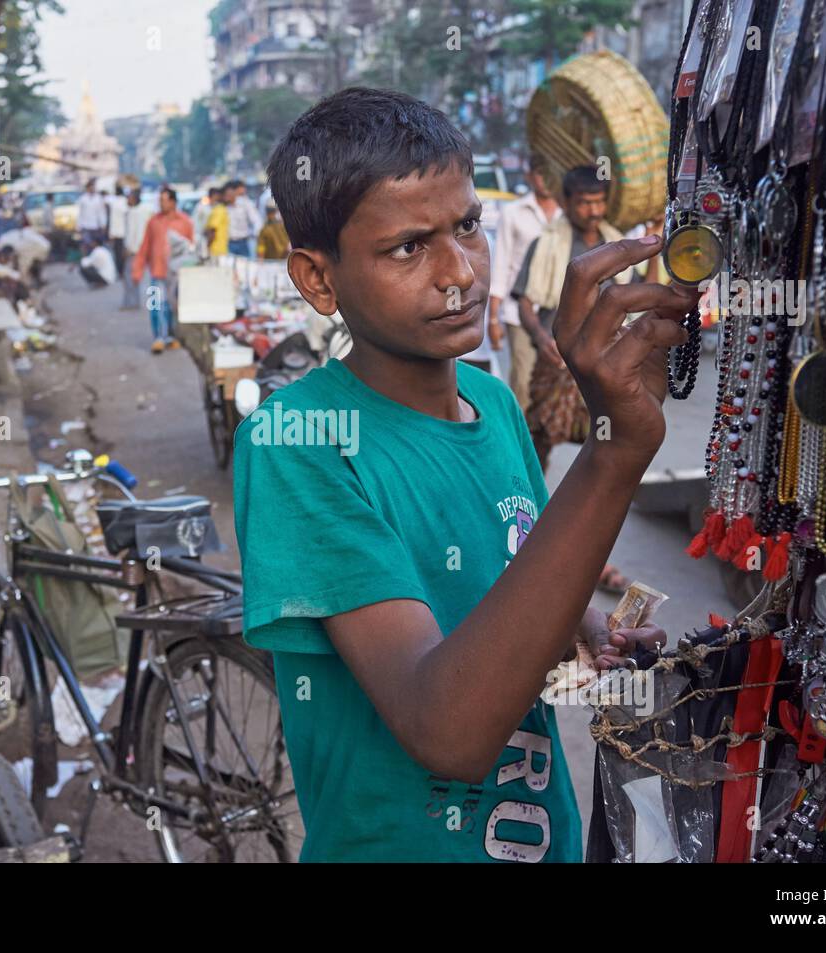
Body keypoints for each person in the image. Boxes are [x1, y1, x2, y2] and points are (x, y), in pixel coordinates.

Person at [234, 88, 689, 862]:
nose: (460, 274)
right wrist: (612, 452)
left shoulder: (492, 402)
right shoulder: (296, 444)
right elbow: (448, 730)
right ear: (318, 279)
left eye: (469, 227)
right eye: (408, 247)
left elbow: (506, 582)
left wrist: (579, 634)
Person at [511, 165, 638, 596]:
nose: (592, 209)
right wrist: (540, 336)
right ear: (567, 202)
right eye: (584, 201)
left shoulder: (617, 244)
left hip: (601, 363)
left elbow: (634, 298)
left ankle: (592, 559)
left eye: (599, 200)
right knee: (537, 447)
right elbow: (526, 303)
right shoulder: (547, 243)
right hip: (556, 364)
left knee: (602, 457)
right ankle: (525, 535)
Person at [487, 160, 561, 413]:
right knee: (523, 381)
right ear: (529, 176)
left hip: (560, 312)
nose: (546, 180)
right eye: (541, 173)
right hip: (518, 310)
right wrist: (494, 318)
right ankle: (519, 443)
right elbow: (501, 263)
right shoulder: (513, 213)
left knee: (555, 388)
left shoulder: (571, 212)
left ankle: (541, 445)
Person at [132, 187, 194, 353]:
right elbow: (145, 247)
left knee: (172, 307)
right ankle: (159, 337)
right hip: (157, 271)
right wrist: (137, 269)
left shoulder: (185, 222)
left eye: (164, 200)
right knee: (155, 305)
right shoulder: (153, 222)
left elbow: (191, 249)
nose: (161, 204)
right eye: (159, 200)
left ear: (173, 202)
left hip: (177, 274)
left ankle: (171, 336)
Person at [0, 214, 52, 286]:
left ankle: (31, 282)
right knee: (29, 265)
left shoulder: (21, 246)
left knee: (30, 265)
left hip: (36, 246)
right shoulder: (6, 242)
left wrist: (21, 279)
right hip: (33, 243)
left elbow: (24, 263)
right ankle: (31, 281)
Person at [122, 189, 149, 309]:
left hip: (134, 249)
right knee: (136, 276)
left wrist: (129, 248)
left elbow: (133, 232)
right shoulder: (145, 210)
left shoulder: (134, 213)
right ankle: (134, 302)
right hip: (141, 248)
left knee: (130, 276)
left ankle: (131, 303)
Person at [227, 178, 262, 257]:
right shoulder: (225, 205)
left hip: (243, 242)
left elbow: (256, 221)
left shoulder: (246, 204)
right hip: (228, 242)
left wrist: (255, 237)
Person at [76, 180, 108, 248]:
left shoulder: (99, 198)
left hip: (95, 226)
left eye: (93, 187)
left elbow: (101, 212)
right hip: (85, 226)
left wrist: (103, 224)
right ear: (87, 188)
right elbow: (79, 213)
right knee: (86, 245)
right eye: (90, 187)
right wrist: (78, 226)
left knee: (96, 246)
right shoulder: (82, 199)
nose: (92, 189)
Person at [205, 184, 230, 258]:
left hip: (219, 249)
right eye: (227, 196)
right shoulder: (219, 210)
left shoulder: (219, 209)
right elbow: (212, 230)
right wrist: (208, 247)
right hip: (217, 250)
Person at [107, 184, 128, 273]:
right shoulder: (125, 201)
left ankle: (119, 270)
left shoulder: (113, 202)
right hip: (124, 232)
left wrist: (110, 232)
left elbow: (111, 219)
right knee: (121, 252)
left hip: (116, 232)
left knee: (117, 253)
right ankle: (122, 270)